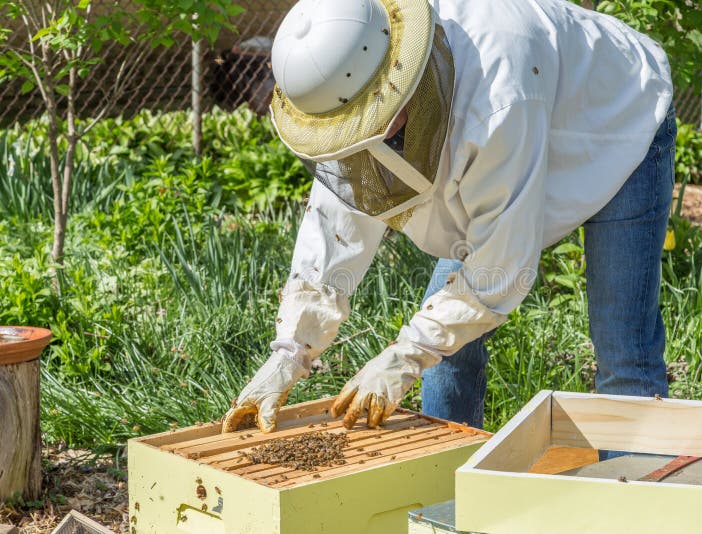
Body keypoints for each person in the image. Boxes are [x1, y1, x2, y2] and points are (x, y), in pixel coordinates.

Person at [222, 0, 675, 434]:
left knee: (623, 352)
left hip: (620, 120)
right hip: (533, 115)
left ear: (396, 81)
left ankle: (633, 495)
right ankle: (445, 499)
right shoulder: (363, 56)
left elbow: (499, 266)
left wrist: (406, 355)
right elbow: (336, 223)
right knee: (446, 351)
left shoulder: (498, 96)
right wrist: (290, 351)